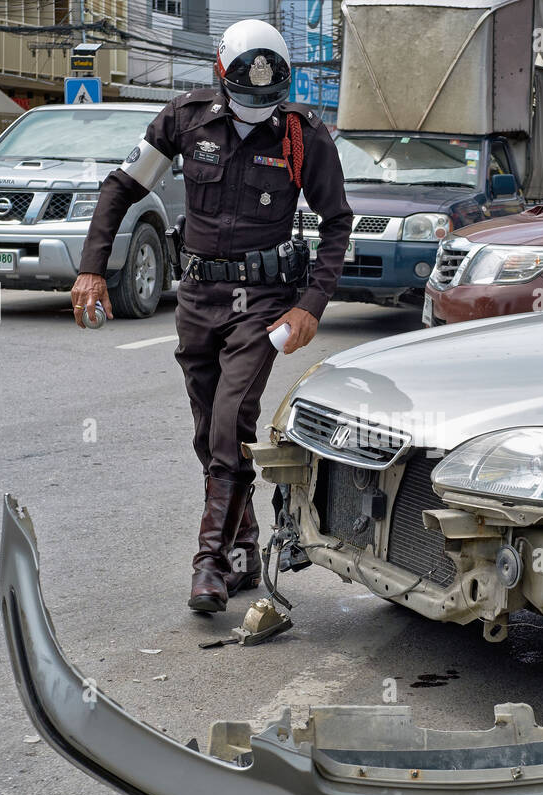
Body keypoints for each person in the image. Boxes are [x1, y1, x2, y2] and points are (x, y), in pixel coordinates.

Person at [71, 18, 352, 614]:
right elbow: (122, 186)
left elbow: (337, 224)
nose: (256, 108)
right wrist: (93, 267)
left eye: (267, 97)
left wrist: (311, 306)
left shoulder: (303, 137)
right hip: (197, 300)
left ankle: (209, 565)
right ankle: (246, 549)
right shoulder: (184, 118)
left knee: (230, 424)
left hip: (264, 305)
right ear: (221, 77)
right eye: (244, 94)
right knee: (209, 436)